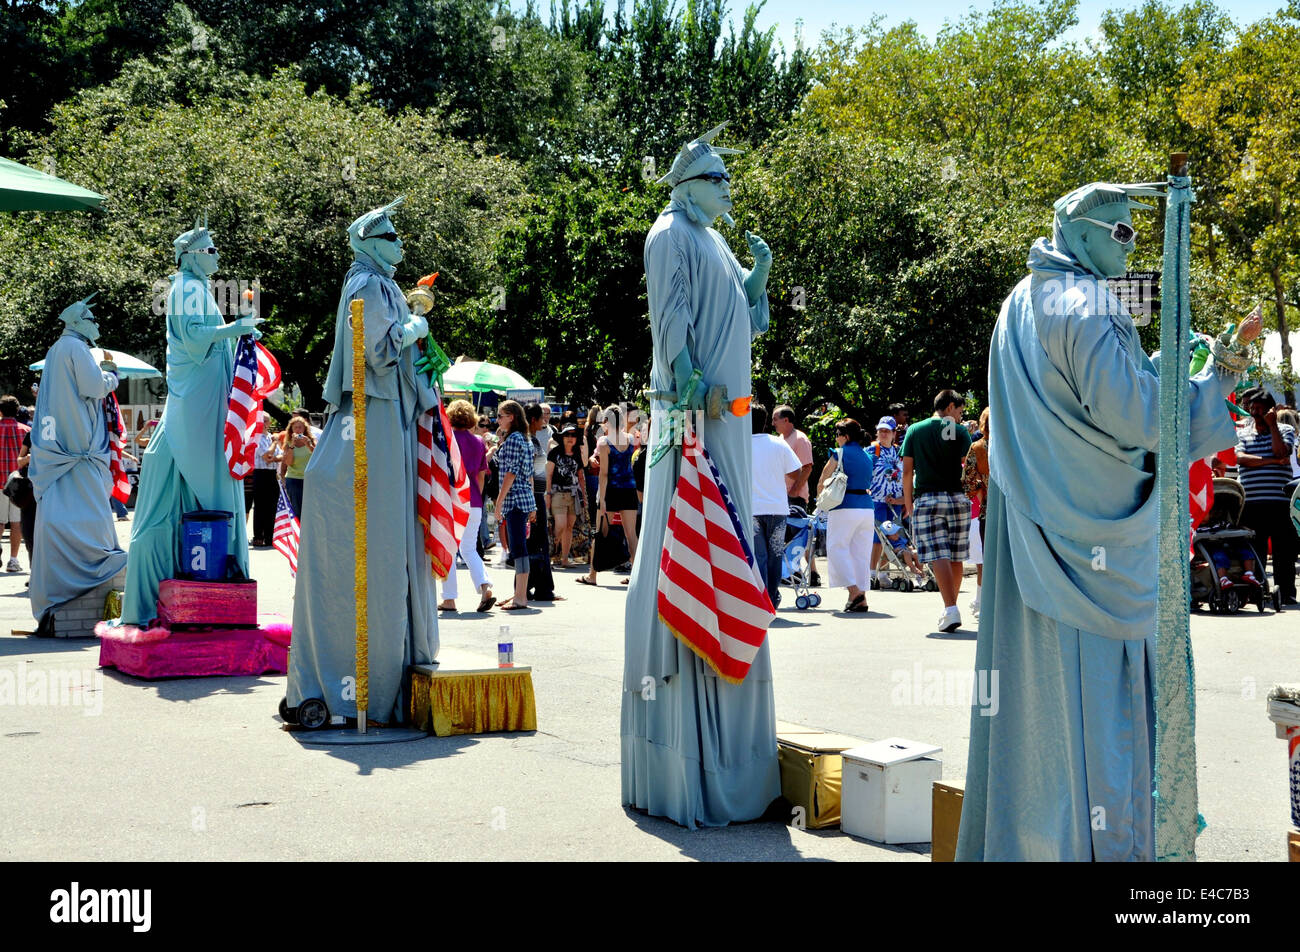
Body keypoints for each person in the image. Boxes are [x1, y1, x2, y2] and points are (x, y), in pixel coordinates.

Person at [956, 181, 1259, 862]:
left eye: (1135, 232)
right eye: (1119, 232)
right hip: (1093, 542)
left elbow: (1091, 407)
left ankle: (1028, 841)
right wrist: (1219, 374)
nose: (1131, 244)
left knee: (1035, 707)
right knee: (1103, 710)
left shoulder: (1018, 301)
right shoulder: (1089, 305)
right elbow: (1143, 418)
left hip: (1034, 528)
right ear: (1079, 230)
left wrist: (1162, 370)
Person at [623, 123, 780, 828]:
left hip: (731, 421)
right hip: (695, 423)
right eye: (716, 178)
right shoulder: (670, 235)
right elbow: (671, 325)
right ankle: (689, 755)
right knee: (696, 546)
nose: (727, 187)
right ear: (686, 185)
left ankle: (737, 757)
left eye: (726, 178)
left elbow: (742, 327)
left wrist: (756, 285)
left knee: (733, 550)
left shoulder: (711, 240)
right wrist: (688, 382)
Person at [284, 197, 439, 726]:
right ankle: (364, 689)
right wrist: (412, 332)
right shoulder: (369, 285)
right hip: (371, 418)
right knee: (376, 548)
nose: (399, 244)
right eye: (391, 236)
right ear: (369, 242)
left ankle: (378, 678)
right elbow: (375, 351)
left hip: (380, 417)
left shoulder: (380, 283)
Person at [120, 219, 259, 626]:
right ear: (190, 255)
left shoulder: (196, 288)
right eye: (210, 250)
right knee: (208, 473)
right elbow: (196, 335)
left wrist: (237, 328)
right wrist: (237, 327)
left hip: (201, 394)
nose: (216, 255)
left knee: (197, 473)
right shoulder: (186, 288)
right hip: (197, 399)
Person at [28, 295, 129, 628]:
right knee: (92, 518)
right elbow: (94, 386)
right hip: (79, 456)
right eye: (93, 318)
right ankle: (95, 569)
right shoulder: (76, 349)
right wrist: (112, 375)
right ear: (80, 321)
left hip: (64, 455)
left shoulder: (57, 351)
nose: (97, 323)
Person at [901, 389, 971, 633]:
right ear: (950, 406)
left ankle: (950, 608)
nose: (961, 418)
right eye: (960, 412)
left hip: (928, 498)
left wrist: (908, 504)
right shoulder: (960, 431)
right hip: (958, 498)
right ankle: (950, 607)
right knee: (955, 555)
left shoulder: (915, 430)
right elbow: (967, 466)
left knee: (938, 553)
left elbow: (907, 471)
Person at [1234, 390, 1297, 605]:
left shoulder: (1285, 430)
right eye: (1253, 409)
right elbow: (1241, 459)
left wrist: (1272, 427)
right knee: (1255, 551)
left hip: (1280, 503)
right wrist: (1270, 462)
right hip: (1251, 504)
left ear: (1271, 410)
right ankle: (1256, 593)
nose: (1255, 413)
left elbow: (1281, 453)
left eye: (1260, 410)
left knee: (1284, 552)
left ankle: (1287, 592)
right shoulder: (1242, 432)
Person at [438, 399, 495, 613]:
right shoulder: (479, 442)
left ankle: (450, 599)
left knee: (448, 549)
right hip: (473, 501)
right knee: (469, 548)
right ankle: (484, 586)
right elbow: (481, 477)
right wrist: (476, 498)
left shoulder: (446, 440)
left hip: (451, 499)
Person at [816, 417, 876, 612]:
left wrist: (820, 502)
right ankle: (860, 598)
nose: (836, 439)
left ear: (845, 436)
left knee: (836, 548)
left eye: (837, 435)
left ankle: (854, 590)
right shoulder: (867, 455)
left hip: (844, 505)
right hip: (867, 507)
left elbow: (823, 478)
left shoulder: (839, 453)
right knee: (860, 553)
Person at [578, 403, 640, 587]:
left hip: (611, 490)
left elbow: (604, 473)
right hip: (629, 489)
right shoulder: (630, 438)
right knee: (631, 535)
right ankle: (636, 577)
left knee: (601, 533)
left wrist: (602, 498)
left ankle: (593, 575)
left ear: (607, 421)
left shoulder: (604, 442)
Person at [750, 403, 802, 609]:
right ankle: (772, 598)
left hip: (753, 510)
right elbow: (796, 470)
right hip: (778, 509)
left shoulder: (740, 445)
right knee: (775, 555)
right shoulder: (778, 443)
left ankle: (762, 601)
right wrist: (783, 485)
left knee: (759, 556)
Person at [493, 400, 536, 611]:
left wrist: (499, 503)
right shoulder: (524, 438)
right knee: (519, 548)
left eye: (500, 415)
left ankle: (521, 597)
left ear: (512, 417)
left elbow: (510, 474)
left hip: (514, 500)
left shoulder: (513, 440)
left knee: (518, 548)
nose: (497, 419)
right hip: (523, 498)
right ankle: (519, 594)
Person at [773, 404, 819, 585]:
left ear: (786, 420)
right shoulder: (779, 439)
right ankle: (795, 571)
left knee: (798, 535)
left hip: (795, 496)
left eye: (776, 419)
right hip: (781, 495)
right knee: (789, 536)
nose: (773, 423)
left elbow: (807, 467)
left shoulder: (800, 439)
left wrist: (794, 489)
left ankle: (808, 572)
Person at [523, 402, 559, 601]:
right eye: (541, 418)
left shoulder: (533, 440)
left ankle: (541, 587)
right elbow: (528, 473)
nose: (544, 422)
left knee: (538, 542)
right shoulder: (527, 440)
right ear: (533, 420)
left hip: (536, 495)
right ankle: (532, 587)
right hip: (532, 497)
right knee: (533, 543)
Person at [867, 415, 905, 589]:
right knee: (878, 538)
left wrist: (904, 500)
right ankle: (871, 573)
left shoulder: (899, 451)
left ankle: (883, 573)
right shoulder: (872, 450)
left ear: (893, 433)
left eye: (887, 431)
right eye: (881, 430)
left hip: (895, 501)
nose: (883, 434)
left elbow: (904, 475)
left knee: (890, 537)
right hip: (877, 500)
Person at [963, 406, 991, 615]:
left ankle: (986, 603)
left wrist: (982, 493)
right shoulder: (1016, 443)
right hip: (1018, 513)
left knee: (987, 560)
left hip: (988, 512)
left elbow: (968, 484)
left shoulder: (978, 448)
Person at [546, 425, 586, 567]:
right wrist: (548, 494)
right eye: (567, 435)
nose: (570, 438)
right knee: (560, 525)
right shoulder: (554, 453)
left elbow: (581, 476)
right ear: (562, 437)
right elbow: (548, 475)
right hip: (557, 493)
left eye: (573, 435)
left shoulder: (577, 454)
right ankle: (552, 552)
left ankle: (564, 559)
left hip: (574, 494)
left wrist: (584, 497)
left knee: (569, 527)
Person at [0, 395, 32, 572]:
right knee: (16, 523)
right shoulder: (26, 430)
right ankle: (13, 560)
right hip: (19, 485)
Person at [249, 413, 281, 547]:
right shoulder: (256, 438)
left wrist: (273, 456)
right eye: (261, 420)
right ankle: (258, 536)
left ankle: (270, 536)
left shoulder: (269, 437)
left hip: (272, 473)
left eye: (266, 420)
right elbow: (266, 455)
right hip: (260, 473)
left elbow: (280, 455)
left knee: (272, 506)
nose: (264, 423)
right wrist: (274, 444)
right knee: (261, 506)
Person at [280, 410, 316, 519]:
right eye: (295, 427)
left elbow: (317, 457)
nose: (298, 430)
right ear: (291, 430)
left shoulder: (311, 441)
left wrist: (308, 444)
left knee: (310, 510)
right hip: (294, 479)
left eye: (300, 427)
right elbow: (289, 463)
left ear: (305, 429)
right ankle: (299, 534)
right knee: (297, 510)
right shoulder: (288, 444)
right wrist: (292, 446)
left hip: (309, 479)